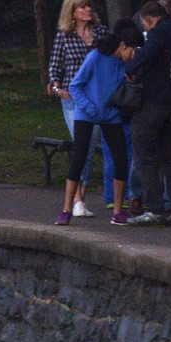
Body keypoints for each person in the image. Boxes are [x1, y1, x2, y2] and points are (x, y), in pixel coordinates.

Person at [58, 31, 138, 225]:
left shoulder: (125, 65)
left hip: (111, 115)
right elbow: (75, 86)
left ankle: (118, 210)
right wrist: (90, 108)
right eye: (132, 50)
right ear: (122, 45)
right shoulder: (95, 58)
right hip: (87, 113)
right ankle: (66, 209)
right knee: (79, 157)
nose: (133, 54)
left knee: (121, 159)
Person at [126, 0, 171, 227]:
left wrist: (131, 68)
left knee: (144, 156)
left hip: (153, 101)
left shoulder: (158, 33)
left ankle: (154, 208)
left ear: (148, 20)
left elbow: (143, 58)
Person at [46, 0, 110, 215]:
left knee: (90, 149)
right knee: (81, 145)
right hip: (73, 98)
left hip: (97, 97)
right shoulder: (64, 36)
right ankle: (75, 200)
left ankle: (81, 196)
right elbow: (55, 66)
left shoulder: (101, 33)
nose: (87, 10)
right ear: (72, 12)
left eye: (89, 6)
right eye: (82, 7)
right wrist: (58, 89)